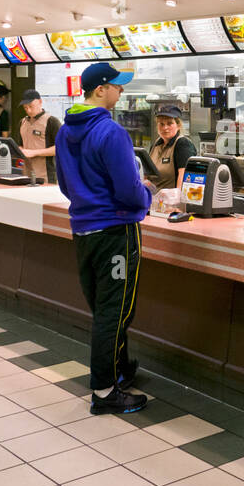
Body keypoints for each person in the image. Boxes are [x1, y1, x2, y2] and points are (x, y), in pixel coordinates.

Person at [55, 63, 154, 415]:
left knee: (103, 306)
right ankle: (104, 391)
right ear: (101, 90)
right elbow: (128, 189)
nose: (121, 92)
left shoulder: (65, 132)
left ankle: (120, 370)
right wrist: (147, 197)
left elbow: (66, 185)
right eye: (117, 86)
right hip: (116, 232)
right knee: (115, 311)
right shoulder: (111, 132)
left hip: (83, 229)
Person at [145, 104, 196, 191]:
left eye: (170, 123)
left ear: (178, 125)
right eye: (161, 124)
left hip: (171, 202)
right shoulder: (155, 145)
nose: (165, 128)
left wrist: (176, 197)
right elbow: (146, 174)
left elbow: (184, 177)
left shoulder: (182, 144)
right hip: (153, 199)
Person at [17, 88, 60, 183]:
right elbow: (21, 144)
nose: (28, 110)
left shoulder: (52, 122)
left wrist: (34, 152)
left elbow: (61, 148)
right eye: (25, 108)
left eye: (31, 106)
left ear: (40, 102)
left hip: (46, 176)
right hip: (26, 174)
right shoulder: (22, 122)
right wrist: (19, 150)